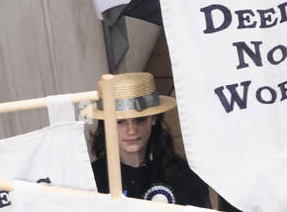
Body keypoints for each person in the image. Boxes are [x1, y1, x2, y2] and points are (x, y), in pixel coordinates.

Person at [87, 71, 210, 205]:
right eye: (120, 121)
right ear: (106, 124)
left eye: (139, 119)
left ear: (153, 119)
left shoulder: (185, 175)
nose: (131, 130)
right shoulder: (90, 181)